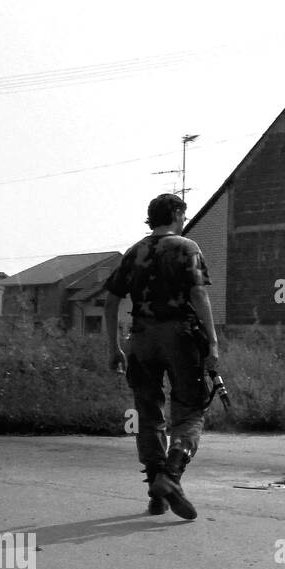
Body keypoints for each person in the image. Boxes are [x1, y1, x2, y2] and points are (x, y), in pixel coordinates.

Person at [103, 193, 219, 520]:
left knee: (147, 412)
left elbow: (110, 302)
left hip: (140, 340)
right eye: (183, 215)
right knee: (190, 410)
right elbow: (198, 293)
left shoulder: (133, 252)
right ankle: (171, 477)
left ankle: (156, 489)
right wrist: (212, 342)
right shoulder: (186, 247)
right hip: (179, 336)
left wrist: (114, 348)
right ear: (177, 214)